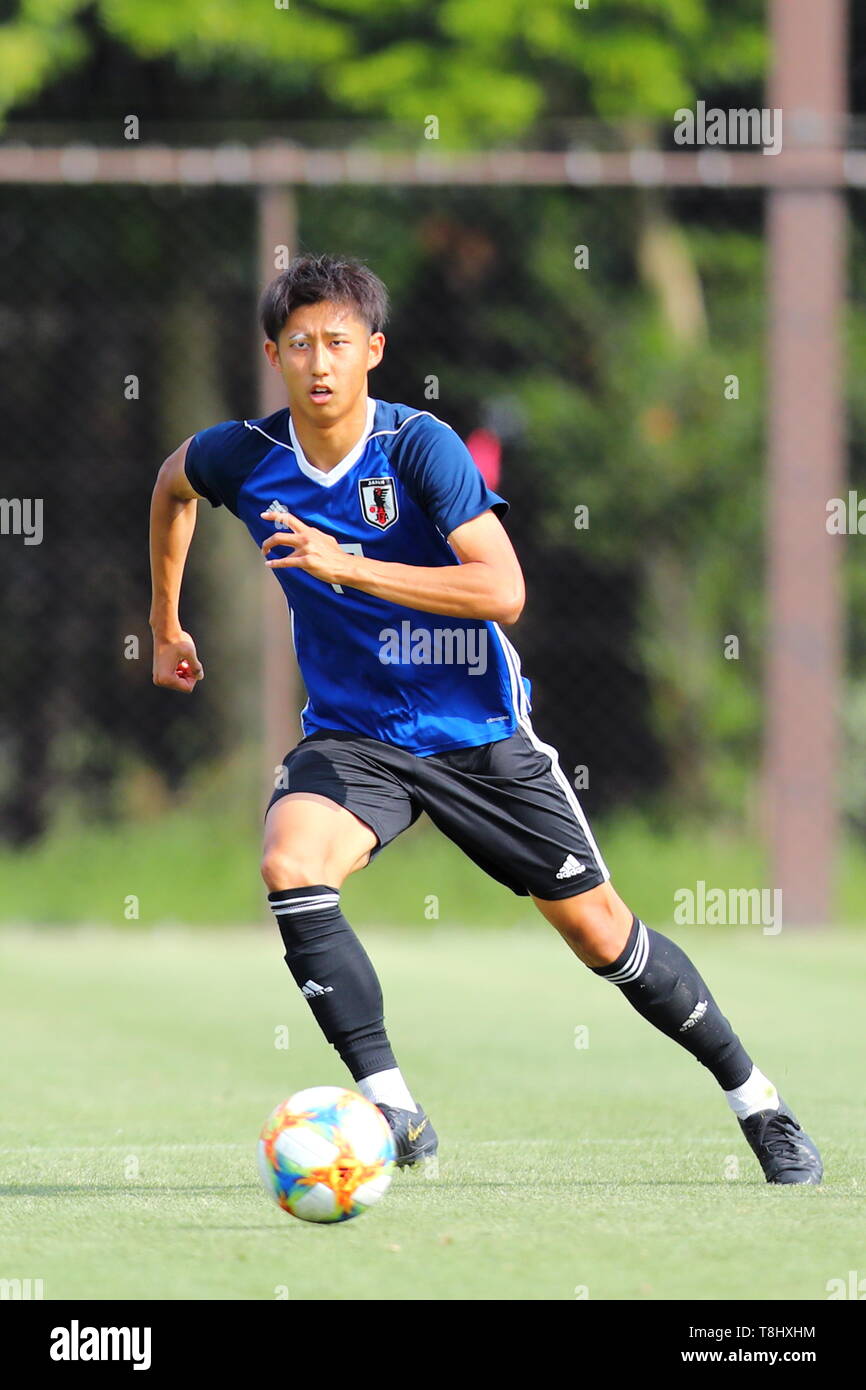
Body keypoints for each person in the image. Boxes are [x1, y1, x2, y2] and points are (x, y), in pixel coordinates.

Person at [149, 253, 822, 1184]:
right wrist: (165, 622)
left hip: (481, 741)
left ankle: (762, 1106)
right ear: (273, 354)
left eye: (338, 342)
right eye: (298, 344)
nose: (319, 362)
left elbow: (502, 589)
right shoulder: (247, 455)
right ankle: (392, 1107)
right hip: (356, 739)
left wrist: (350, 564)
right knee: (290, 865)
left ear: (373, 349)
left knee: (603, 936)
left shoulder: (419, 448)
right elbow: (172, 484)